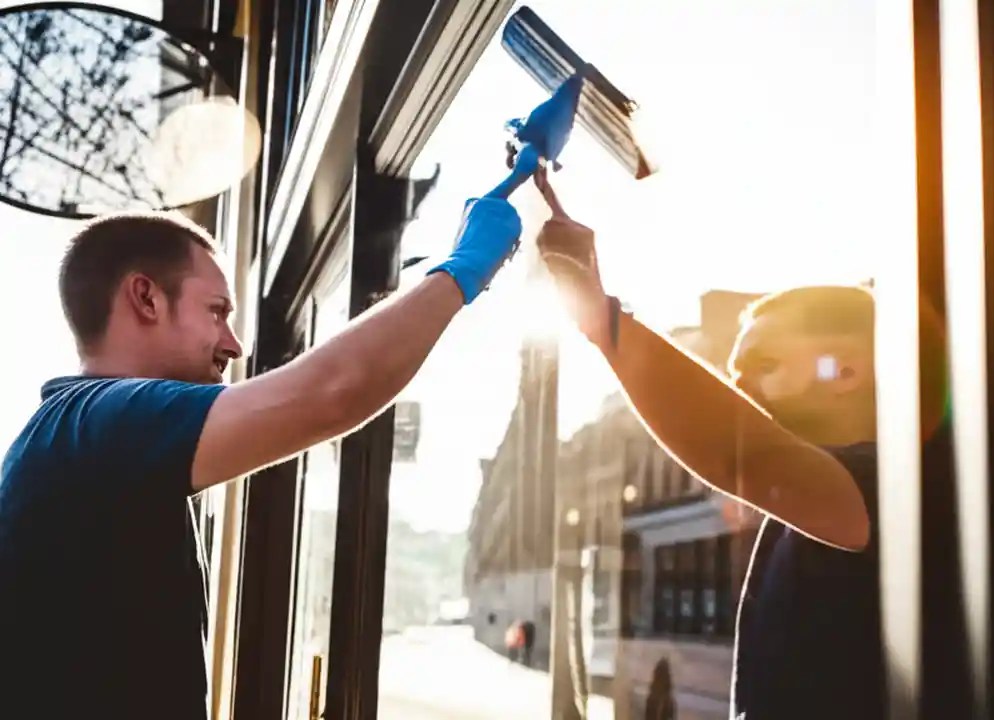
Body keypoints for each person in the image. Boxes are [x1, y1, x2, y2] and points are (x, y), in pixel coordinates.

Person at [0, 198, 523, 719]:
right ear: (146, 298)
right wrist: (463, 268)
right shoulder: (104, 423)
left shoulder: (81, 436)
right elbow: (333, 391)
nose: (235, 344)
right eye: (217, 312)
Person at [531, 170, 946, 718]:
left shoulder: (890, 489)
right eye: (735, 373)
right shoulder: (818, 507)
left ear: (845, 371)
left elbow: (733, 451)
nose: (740, 388)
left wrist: (600, 319)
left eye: (764, 366)